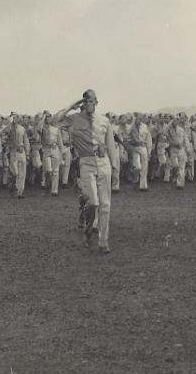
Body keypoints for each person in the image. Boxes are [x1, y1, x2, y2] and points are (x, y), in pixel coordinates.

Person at [52, 90, 117, 254]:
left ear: (97, 102)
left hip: (103, 163)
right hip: (86, 162)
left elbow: (110, 145)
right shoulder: (73, 119)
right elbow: (54, 121)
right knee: (94, 202)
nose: (89, 104)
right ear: (83, 103)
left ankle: (103, 241)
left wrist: (115, 167)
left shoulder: (104, 121)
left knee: (105, 205)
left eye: (92, 100)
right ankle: (88, 225)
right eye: (86, 101)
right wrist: (71, 106)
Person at [5, 113, 30, 198]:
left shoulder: (22, 128)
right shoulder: (8, 128)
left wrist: (27, 153)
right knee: (15, 172)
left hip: (22, 151)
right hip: (13, 152)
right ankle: (11, 184)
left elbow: (26, 141)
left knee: (22, 173)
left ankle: (20, 192)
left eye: (16, 117)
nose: (15, 119)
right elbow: (6, 139)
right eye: (14, 118)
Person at [126, 113, 153, 191]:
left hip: (143, 148)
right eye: (137, 118)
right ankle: (135, 178)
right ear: (135, 119)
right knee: (137, 166)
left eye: (140, 119)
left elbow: (149, 139)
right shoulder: (131, 127)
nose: (138, 120)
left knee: (144, 167)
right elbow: (128, 139)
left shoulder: (144, 127)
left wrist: (149, 151)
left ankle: (143, 186)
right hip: (135, 148)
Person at [40, 110, 63, 196]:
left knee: (56, 171)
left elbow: (60, 141)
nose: (48, 118)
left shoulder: (56, 129)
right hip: (46, 149)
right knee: (48, 170)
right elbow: (39, 127)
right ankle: (47, 185)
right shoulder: (42, 128)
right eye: (47, 117)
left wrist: (62, 152)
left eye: (50, 116)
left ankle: (54, 190)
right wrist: (43, 116)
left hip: (55, 149)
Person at [165, 115, 189, 189]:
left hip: (181, 149)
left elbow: (185, 138)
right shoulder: (169, 130)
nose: (175, 122)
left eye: (176, 120)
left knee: (182, 167)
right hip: (173, 149)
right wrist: (174, 144)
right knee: (175, 165)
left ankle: (180, 184)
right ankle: (174, 174)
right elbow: (167, 137)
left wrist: (187, 148)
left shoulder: (181, 129)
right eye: (174, 121)